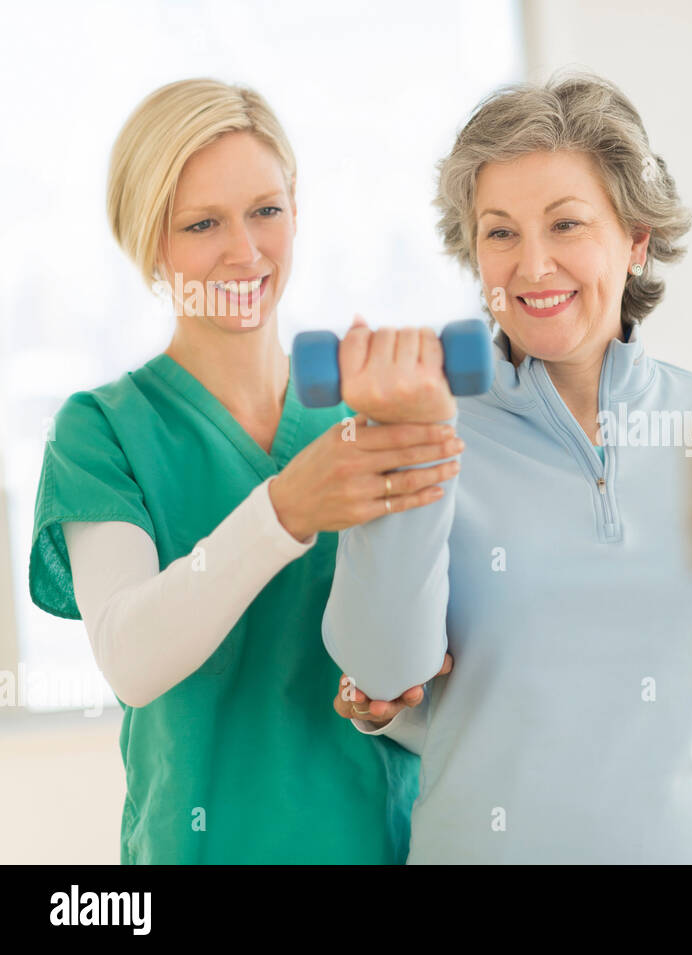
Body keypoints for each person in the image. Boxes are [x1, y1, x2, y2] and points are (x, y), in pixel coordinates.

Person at [326, 72, 692, 863]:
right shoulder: (429, 428)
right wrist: (407, 436)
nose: (532, 264)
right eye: (501, 232)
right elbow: (381, 667)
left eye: (566, 224)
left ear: (637, 238)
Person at [28, 78, 459, 863]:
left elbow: (442, 705)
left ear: (296, 208)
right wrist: (285, 510)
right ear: (149, 242)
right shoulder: (102, 430)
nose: (244, 250)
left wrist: (393, 707)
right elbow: (132, 658)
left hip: (378, 843)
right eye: (202, 223)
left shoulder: (362, 419)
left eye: (266, 209)